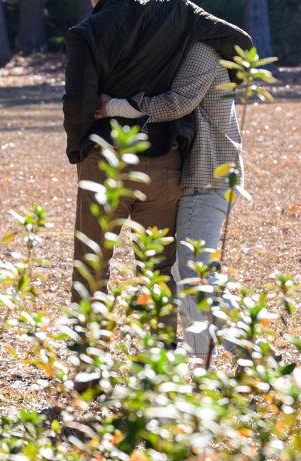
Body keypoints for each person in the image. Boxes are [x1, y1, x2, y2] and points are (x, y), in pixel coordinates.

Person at [62, 0, 251, 339]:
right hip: (165, 163)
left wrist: (80, 149)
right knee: (158, 269)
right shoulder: (175, 13)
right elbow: (240, 41)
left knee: (91, 265)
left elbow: (78, 103)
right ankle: (158, 365)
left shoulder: (87, 32)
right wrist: (232, 77)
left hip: (106, 163)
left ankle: (89, 369)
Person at [98, 39, 241, 363]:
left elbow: (176, 104)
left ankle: (247, 352)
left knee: (195, 272)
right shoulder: (181, 51)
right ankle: (199, 362)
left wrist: (113, 107)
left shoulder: (199, 53)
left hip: (209, 177)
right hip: (201, 178)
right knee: (184, 271)